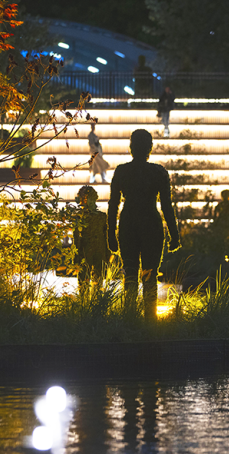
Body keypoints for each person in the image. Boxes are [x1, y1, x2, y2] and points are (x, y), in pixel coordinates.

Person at [108, 129, 180, 319]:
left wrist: (110, 233)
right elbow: (166, 206)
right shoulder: (158, 172)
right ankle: (150, 319)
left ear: (131, 147)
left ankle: (130, 316)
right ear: (150, 148)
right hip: (151, 224)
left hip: (128, 223)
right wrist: (175, 234)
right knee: (150, 274)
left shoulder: (122, 171)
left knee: (130, 273)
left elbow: (113, 204)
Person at [73, 186, 111, 283]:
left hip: (97, 250)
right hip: (85, 250)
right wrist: (76, 255)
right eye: (85, 199)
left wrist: (108, 253)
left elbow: (107, 235)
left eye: (90, 198)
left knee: (98, 279)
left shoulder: (102, 217)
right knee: (84, 280)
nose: (89, 202)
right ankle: (85, 297)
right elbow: (76, 237)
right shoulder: (79, 217)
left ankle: (94, 297)